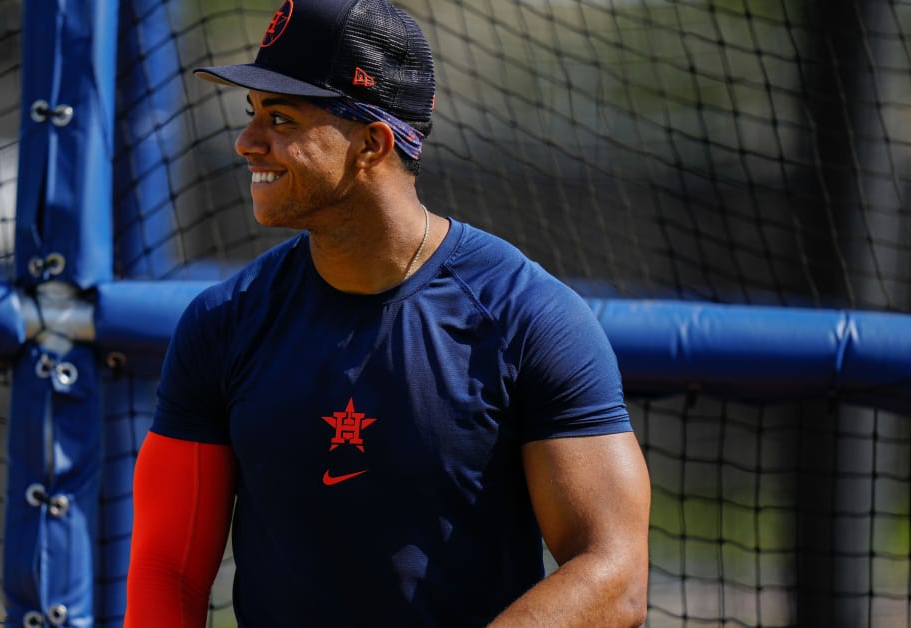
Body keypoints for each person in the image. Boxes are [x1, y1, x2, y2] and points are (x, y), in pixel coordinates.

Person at [125, 0, 652, 626]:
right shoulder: (222, 323)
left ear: (372, 143)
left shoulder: (529, 318)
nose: (247, 142)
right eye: (252, 114)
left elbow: (613, 575)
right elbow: (168, 573)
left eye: (281, 117)